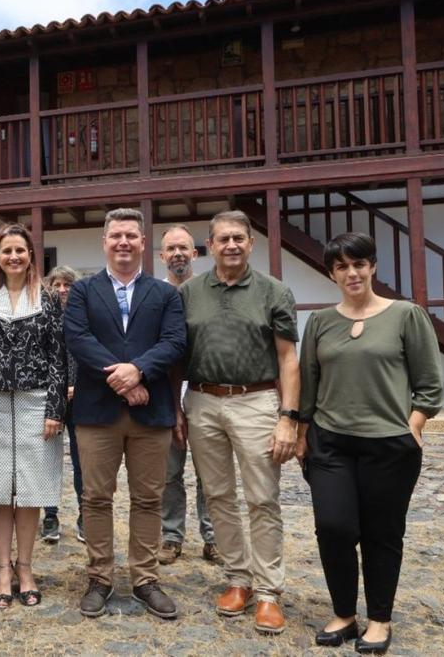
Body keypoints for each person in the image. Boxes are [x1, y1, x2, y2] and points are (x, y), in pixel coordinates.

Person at [297, 233, 443, 654]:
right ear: (332, 273)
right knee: (333, 527)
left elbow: (429, 385)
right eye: (341, 266)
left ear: (372, 267)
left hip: (389, 445)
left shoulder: (405, 315)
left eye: (358, 264)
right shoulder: (322, 322)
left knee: (382, 533)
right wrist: (304, 432)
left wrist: (413, 425)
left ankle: (379, 618)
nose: (352, 273)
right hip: (330, 444)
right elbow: (309, 383)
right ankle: (344, 613)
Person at [178, 210, 299, 635]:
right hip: (203, 400)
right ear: (209, 247)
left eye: (238, 238)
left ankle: (268, 591)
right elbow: (178, 353)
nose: (231, 245)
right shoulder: (189, 292)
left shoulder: (273, 291)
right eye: (222, 239)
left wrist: (288, 417)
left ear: (251, 244)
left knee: (263, 498)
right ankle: (238, 578)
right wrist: (177, 407)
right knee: (218, 495)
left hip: (257, 401)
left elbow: (287, 357)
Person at [63, 208, 186, 621]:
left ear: (142, 242)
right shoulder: (82, 291)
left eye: (131, 236)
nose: (123, 243)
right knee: (96, 497)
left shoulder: (165, 294)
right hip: (97, 412)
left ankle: (145, 578)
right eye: (116, 235)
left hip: (151, 412)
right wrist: (124, 378)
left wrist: (140, 371)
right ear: (105, 242)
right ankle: (100, 576)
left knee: (148, 498)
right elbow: (77, 337)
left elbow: (174, 341)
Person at [0, 224, 67, 609]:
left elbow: (60, 358)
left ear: (30, 257)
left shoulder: (46, 300)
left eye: (20, 251)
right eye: (6, 250)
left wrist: (55, 410)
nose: (13, 257)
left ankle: (26, 567)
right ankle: (3, 569)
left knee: (30, 490)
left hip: (36, 404)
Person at [156, 226, 219, 566]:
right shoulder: (154, 294)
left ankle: (213, 537)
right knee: (169, 473)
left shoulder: (208, 293)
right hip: (165, 395)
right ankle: (171, 535)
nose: (178, 253)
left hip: (204, 393)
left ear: (195, 254)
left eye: (184, 247)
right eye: (171, 249)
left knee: (210, 472)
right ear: (161, 256)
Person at [41, 265, 82, 544]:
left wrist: (77, 387)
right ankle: (50, 516)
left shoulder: (85, 317)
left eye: (67, 284)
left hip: (81, 399)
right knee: (48, 460)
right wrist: (55, 389)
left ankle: (85, 516)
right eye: (56, 284)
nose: (62, 290)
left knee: (84, 464)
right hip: (51, 400)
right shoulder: (43, 317)